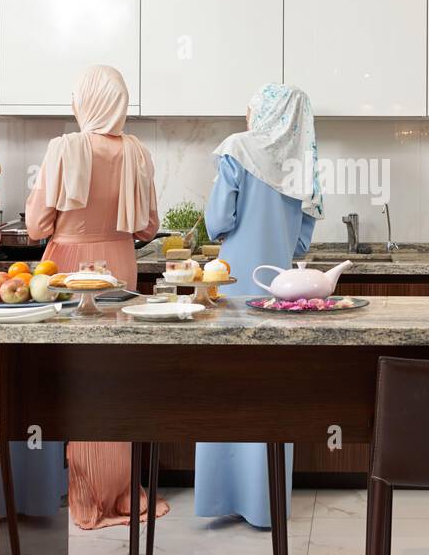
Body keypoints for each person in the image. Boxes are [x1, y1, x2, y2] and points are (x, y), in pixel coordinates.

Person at [26, 64, 166, 530]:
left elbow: (34, 226)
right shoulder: (138, 153)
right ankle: (123, 490)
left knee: (72, 379)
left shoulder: (64, 148)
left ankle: (83, 492)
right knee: (112, 376)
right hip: (120, 267)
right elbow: (148, 226)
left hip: (68, 269)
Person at [195, 84, 322, 529]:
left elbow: (217, 222)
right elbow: (304, 238)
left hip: (232, 286)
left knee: (224, 389)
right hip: (280, 289)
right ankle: (267, 505)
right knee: (272, 390)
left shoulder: (236, 148)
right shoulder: (301, 161)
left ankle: (220, 499)